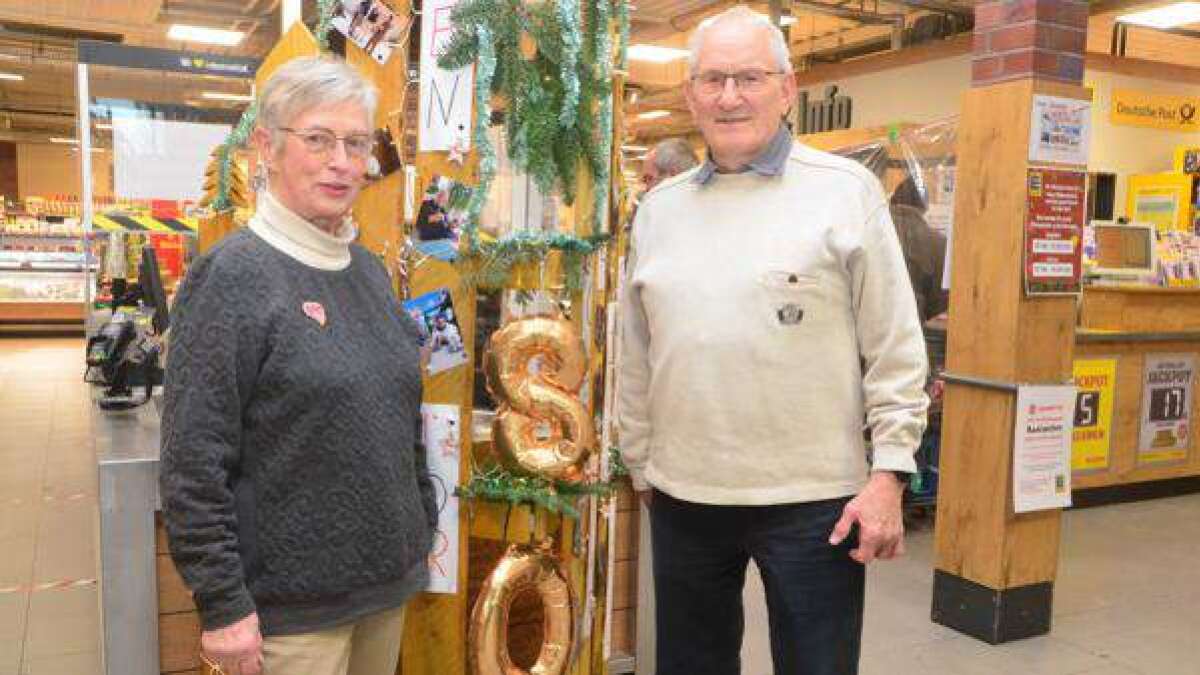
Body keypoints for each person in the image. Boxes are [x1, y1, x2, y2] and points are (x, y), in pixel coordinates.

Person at [617, 7, 929, 675]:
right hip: (684, 495)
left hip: (815, 500)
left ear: (787, 90)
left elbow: (896, 347)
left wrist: (889, 475)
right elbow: (635, 351)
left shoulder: (847, 193)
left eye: (750, 77)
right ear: (691, 93)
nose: (730, 96)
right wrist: (642, 462)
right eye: (713, 79)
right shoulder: (659, 210)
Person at [160, 56, 436, 675]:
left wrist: (417, 526)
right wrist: (223, 604)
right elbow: (192, 462)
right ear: (267, 146)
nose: (342, 160)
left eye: (357, 142)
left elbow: (397, 417)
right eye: (318, 139)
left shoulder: (366, 271)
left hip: (382, 593)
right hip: (287, 617)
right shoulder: (231, 276)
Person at [889, 175, 949, 323]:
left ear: (892, 199)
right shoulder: (939, 243)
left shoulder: (870, 231)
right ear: (925, 206)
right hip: (913, 329)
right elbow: (941, 300)